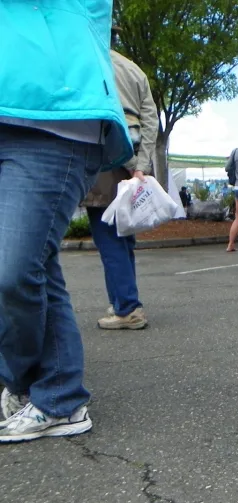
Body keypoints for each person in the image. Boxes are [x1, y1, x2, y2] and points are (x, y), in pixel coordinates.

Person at [0, 1, 134, 442]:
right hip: (33, 110)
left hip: (58, 118)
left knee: (17, 268)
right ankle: (52, 390)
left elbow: (148, 115)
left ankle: (31, 383)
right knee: (36, 261)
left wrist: (139, 163)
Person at [82, 36, 158, 331]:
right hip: (133, 164)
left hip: (104, 161)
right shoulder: (133, 68)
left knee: (108, 237)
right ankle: (123, 300)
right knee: (124, 237)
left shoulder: (89, 62)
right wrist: (141, 166)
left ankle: (127, 307)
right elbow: (150, 121)